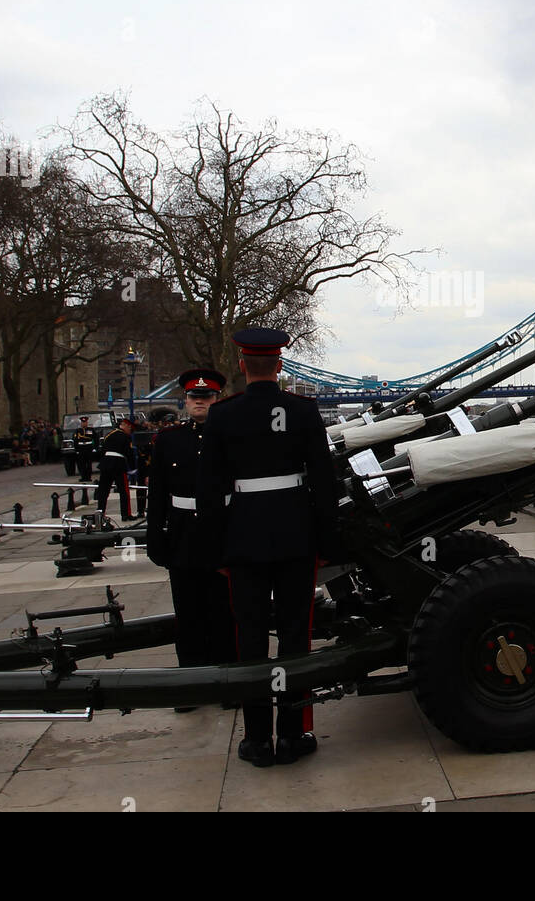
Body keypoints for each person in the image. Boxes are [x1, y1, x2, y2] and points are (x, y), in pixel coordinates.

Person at [199, 328, 339, 767]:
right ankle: (293, 736)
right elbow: (324, 484)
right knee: (297, 637)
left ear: (241, 365)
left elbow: (208, 494)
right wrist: (327, 542)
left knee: (251, 638)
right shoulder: (303, 411)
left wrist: (217, 553)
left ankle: (258, 740)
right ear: (280, 366)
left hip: (244, 539)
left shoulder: (222, 415)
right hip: (296, 536)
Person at [146, 370, 236, 707]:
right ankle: (191, 684)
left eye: (208, 397)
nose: (201, 402)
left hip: (221, 532)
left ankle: (229, 683)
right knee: (188, 615)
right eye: (195, 398)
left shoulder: (230, 437)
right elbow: (157, 495)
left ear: (217, 400)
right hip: (182, 534)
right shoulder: (168, 440)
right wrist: (154, 537)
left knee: (225, 613)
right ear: (185, 401)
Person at [95, 416, 136, 521]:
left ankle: (100, 513)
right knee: (124, 491)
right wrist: (133, 468)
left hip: (106, 463)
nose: (130, 431)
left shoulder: (109, 434)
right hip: (118, 464)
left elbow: (102, 449)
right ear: (126, 426)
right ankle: (126, 514)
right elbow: (129, 453)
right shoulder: (126, 437)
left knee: (103, 491)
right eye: (130, 428)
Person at [73, 415, 95, 483]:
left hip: (88, 448)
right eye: (83, 422)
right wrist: (76, 449)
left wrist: (95, 447)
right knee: (81, 464)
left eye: (85, 422)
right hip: (81, 448)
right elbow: (75, 440)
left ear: (87, 423)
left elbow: (95, 438)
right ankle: (83, 477)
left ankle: (88, 477)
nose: (84, 424)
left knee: (88, 463)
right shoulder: (78, 431)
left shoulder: (91, 430)